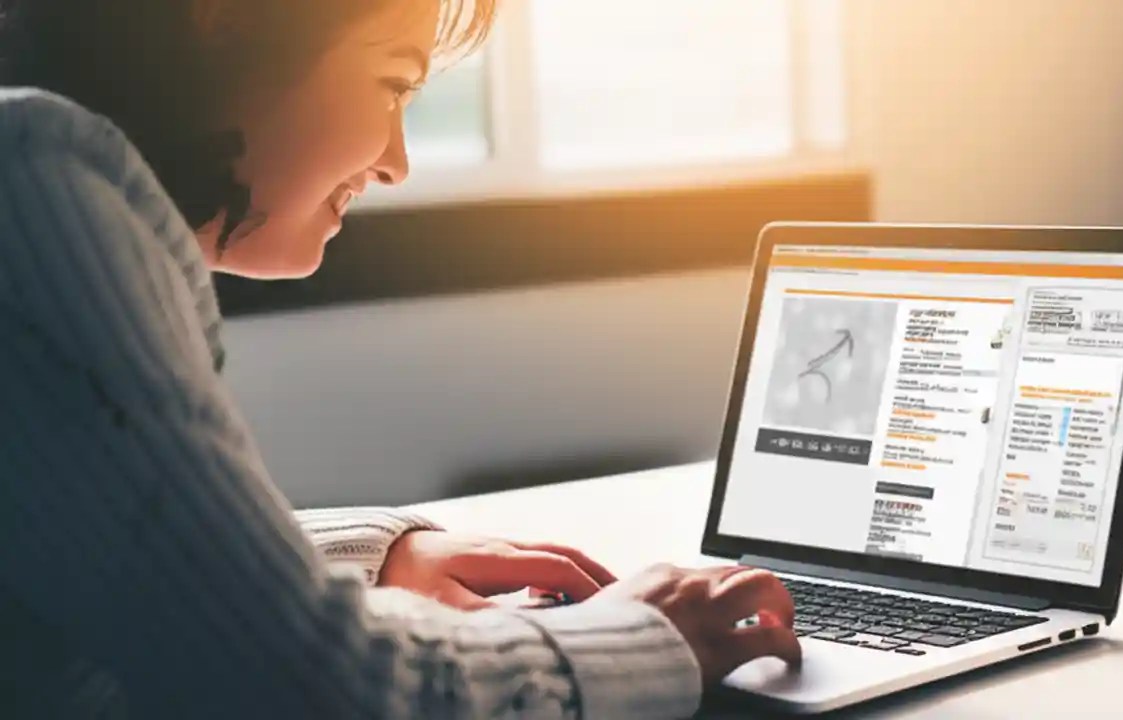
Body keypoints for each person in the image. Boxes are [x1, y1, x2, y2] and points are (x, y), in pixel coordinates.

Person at [0, 0, 802, 717]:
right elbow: (316, 687)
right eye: (392, 85)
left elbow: (111, 578)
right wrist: (645, 636)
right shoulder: (33, 187)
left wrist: (373, 560)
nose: (395, 161)